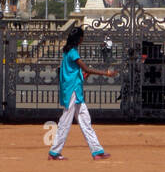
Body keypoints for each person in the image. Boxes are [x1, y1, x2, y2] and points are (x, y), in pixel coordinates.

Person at [48, 26, 115, 161]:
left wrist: (83, 75)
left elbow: (74, 71)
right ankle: (54, 152)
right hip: (72, 90)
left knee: (85, 120)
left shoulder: (68, 52)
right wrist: (106, 73)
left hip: (74, 90)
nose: (83, 39)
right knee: (65, 121)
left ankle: (97, 151)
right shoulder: (73, 53)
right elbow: (86, 68)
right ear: (78, 39)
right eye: (82, 37)